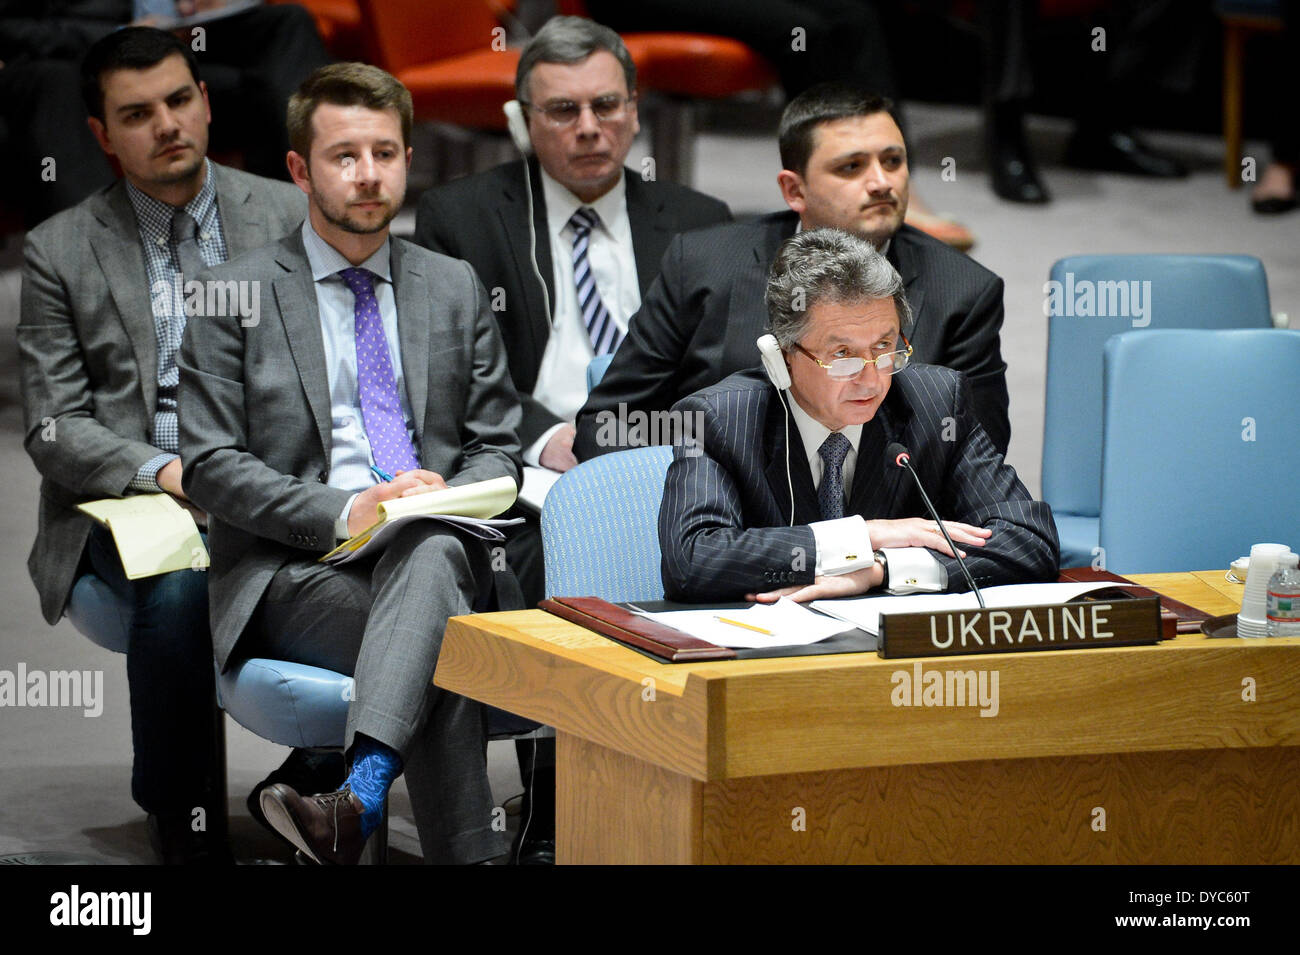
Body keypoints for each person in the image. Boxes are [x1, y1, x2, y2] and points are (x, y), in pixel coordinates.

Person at [178, 62, 521, 865]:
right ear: (300, 169)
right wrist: (347, 510)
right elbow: (210, 466)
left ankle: (352, 803)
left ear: (408, 157)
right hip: (295, 571)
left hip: (430, 545)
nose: (369, 174)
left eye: (386, 152)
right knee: (453, 639)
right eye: (344, 156)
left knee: (432, 555)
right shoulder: (232, 293)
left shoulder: (452, 284)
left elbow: (498, 439)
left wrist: (443, 490)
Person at [414, 15, 730, 863]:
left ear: (634, 111)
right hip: (531, 462)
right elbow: (445, 375)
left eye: (605, 106)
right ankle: (556, 803)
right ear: (523, 119)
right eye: (561, 111)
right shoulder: (460, 218)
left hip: (665, 456)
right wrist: (547, 437)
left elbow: (717, 371)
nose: (588, 128)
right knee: (559, 544)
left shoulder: (701, 221)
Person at [16, 26, 307, 863]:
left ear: (207, 102)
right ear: (102, 135)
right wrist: (171, 472)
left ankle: (312, 781)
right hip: (134, 497)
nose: (168, 124)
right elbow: (54, 425)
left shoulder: (289, 213)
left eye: (181, 100)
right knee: (179, 584)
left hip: (276, 479)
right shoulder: (60, 249)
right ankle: (184, 822)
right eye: (137, 114)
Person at [575, 83, 1012, 462]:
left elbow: (978, 454)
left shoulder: (964, 292)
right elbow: (611, 424)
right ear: (794, 189)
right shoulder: (702, 263)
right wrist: (701, 482)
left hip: (877, 533)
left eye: (893, 161)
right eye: (851, 167)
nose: (882, 182)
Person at [659, 229, 1058, 604]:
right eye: (843, 355)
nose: (870, 379)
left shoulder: (937, 405)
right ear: (781, 357)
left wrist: (884, 568)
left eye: (885, 347)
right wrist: (863, 537)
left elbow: (1029, 540)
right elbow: (692, 561)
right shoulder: (719, 419)